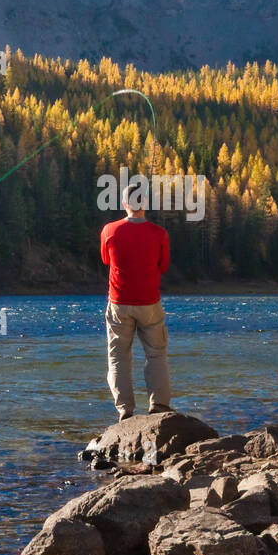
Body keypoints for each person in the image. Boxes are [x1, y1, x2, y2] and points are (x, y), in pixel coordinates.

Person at [100, 179, 172, 420]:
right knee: (156, 354)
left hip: (119, 303)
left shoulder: (109, 231)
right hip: (150, 303)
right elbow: (163, 267)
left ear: (124, 204)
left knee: (118, 355)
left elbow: (105, 261)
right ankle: (159, 406)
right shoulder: (159, 233)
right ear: (145, 204)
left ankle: (125, 410)